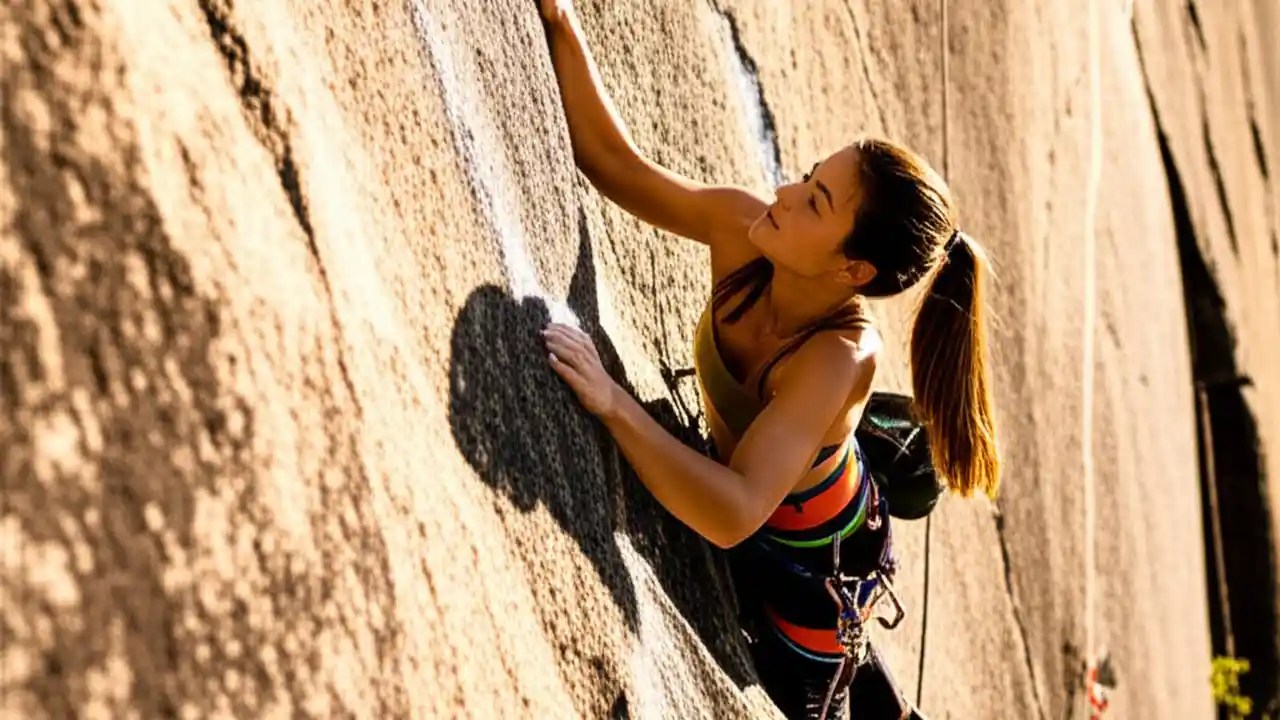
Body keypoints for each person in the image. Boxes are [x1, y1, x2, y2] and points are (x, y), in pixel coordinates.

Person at [535, 2, 1001, 718]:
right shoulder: (743, 228)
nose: (784, 193)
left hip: (810, 563)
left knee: (820, 678)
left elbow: (734, 514)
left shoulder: (840, 358)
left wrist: (613, 403)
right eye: (808, 175)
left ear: (854, 271)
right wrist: (561, 22)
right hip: (799, 481)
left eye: (815, 202)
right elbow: (611, 165)